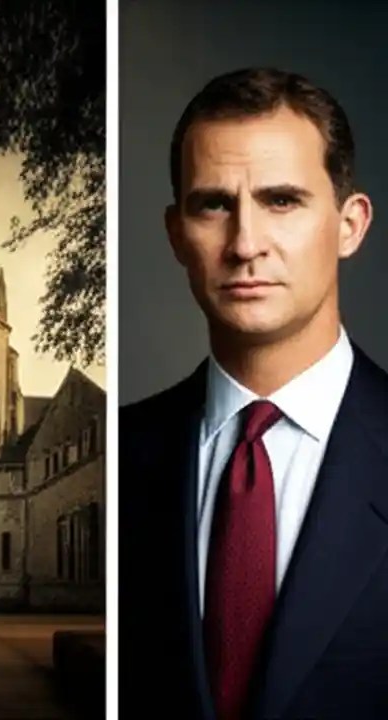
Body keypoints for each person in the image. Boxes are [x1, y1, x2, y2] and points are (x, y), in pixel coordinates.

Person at [120, 67, 388, 720]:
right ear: (176, 233)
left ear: (350, 225)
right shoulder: (124, 459)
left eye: (282, 201)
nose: (245, 245)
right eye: (213, 204)